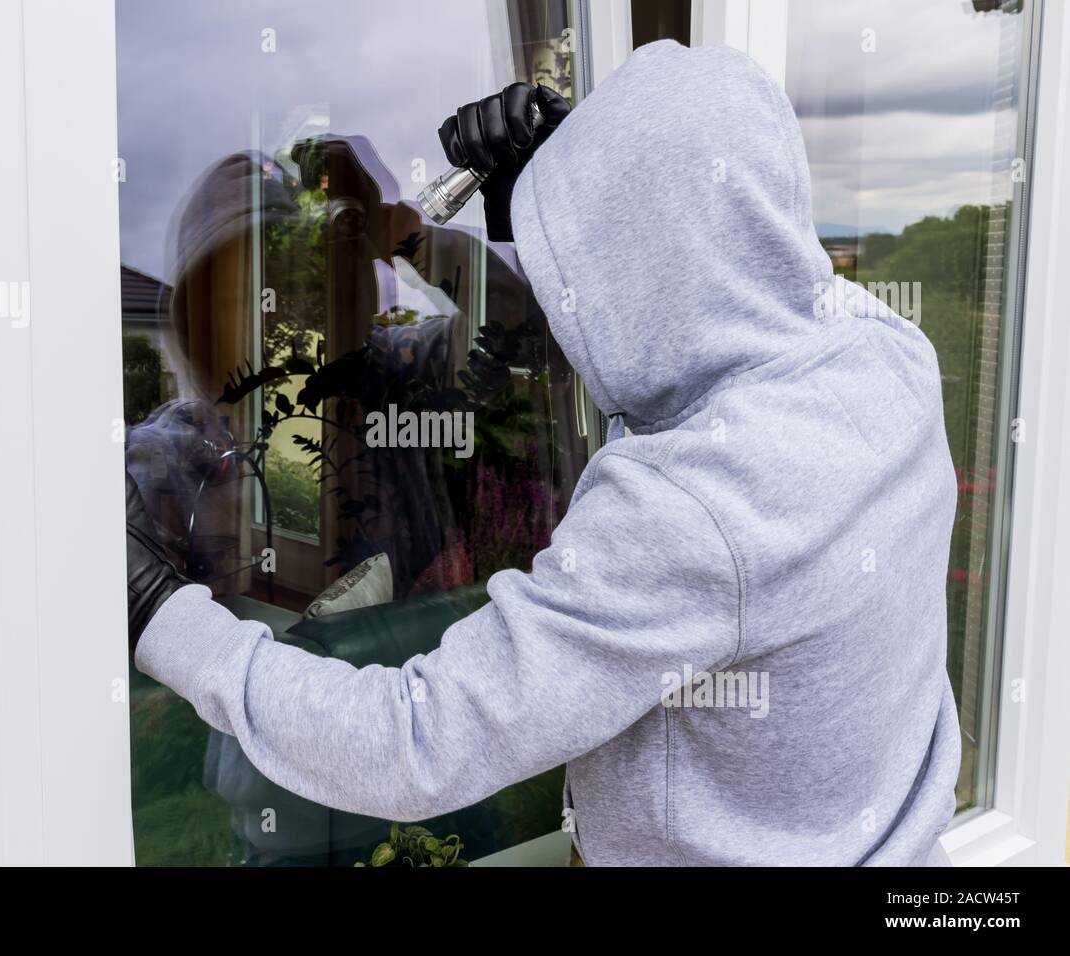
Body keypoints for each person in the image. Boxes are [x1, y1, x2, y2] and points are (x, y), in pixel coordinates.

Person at [126, 40, 961, 866]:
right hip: (283, 805)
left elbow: (420, 740)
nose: (291, 309)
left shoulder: (392, 383)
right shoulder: (885, 349)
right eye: (262, 284)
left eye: (316, 276)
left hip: (425, 763)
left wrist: (413, 234)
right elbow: (662, 310)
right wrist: (575, 194)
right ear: (198, 316)